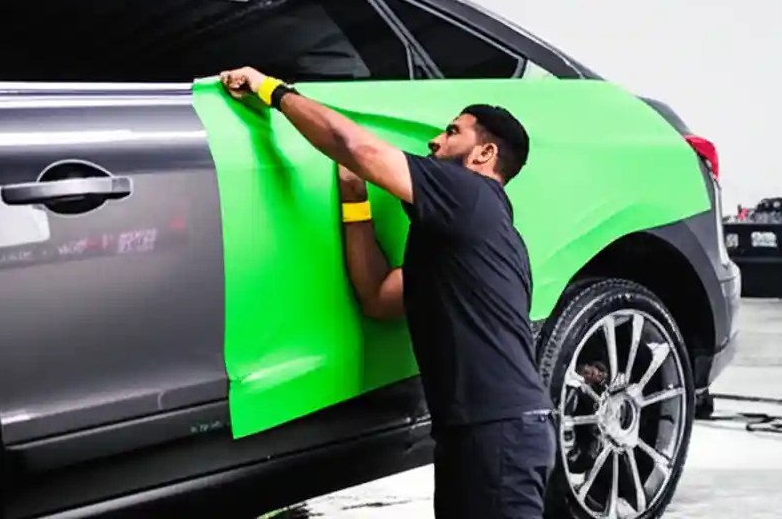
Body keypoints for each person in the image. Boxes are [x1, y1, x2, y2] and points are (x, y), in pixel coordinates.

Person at [218, 67, 556, 519]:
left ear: (485, 153)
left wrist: (269, 89)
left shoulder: (470, 195)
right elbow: (379, 296)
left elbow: (352, 144)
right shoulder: (463, 234)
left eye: (453, 132)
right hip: (478, 433)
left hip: (497, 432)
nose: (435, 141)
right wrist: (355, 198)